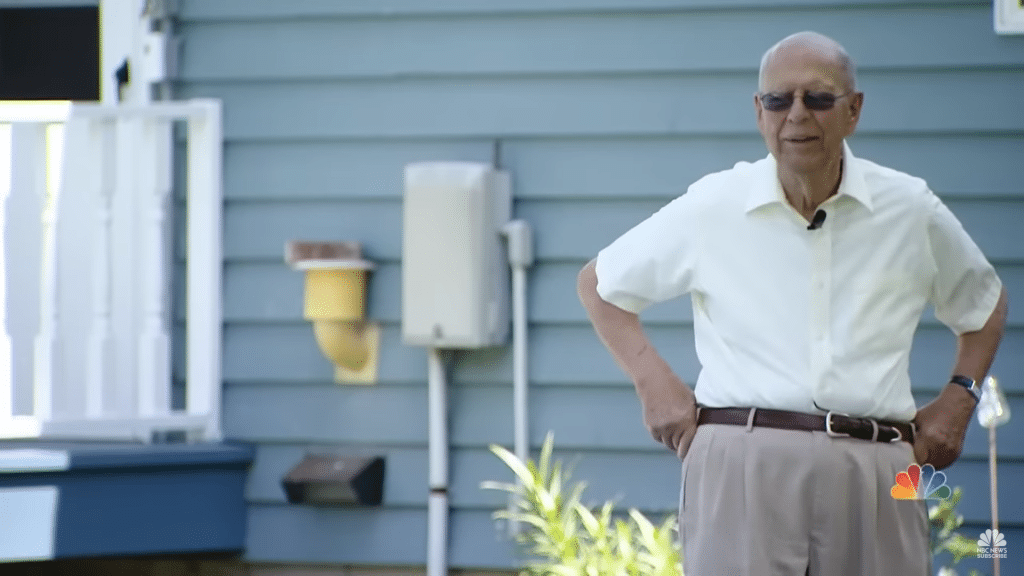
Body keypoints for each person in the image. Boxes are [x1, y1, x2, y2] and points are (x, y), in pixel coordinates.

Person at [576, 31, 1008, 576]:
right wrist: (653, 383)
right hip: (741, 460)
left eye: (818, 98)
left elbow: (984, 303)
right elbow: (599, 284)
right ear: (759, 113)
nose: (796, 115)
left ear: (853, 110)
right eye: (778, 100)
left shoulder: (910, 208)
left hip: (876, 467)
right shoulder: (715, 204)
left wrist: (959, 397)